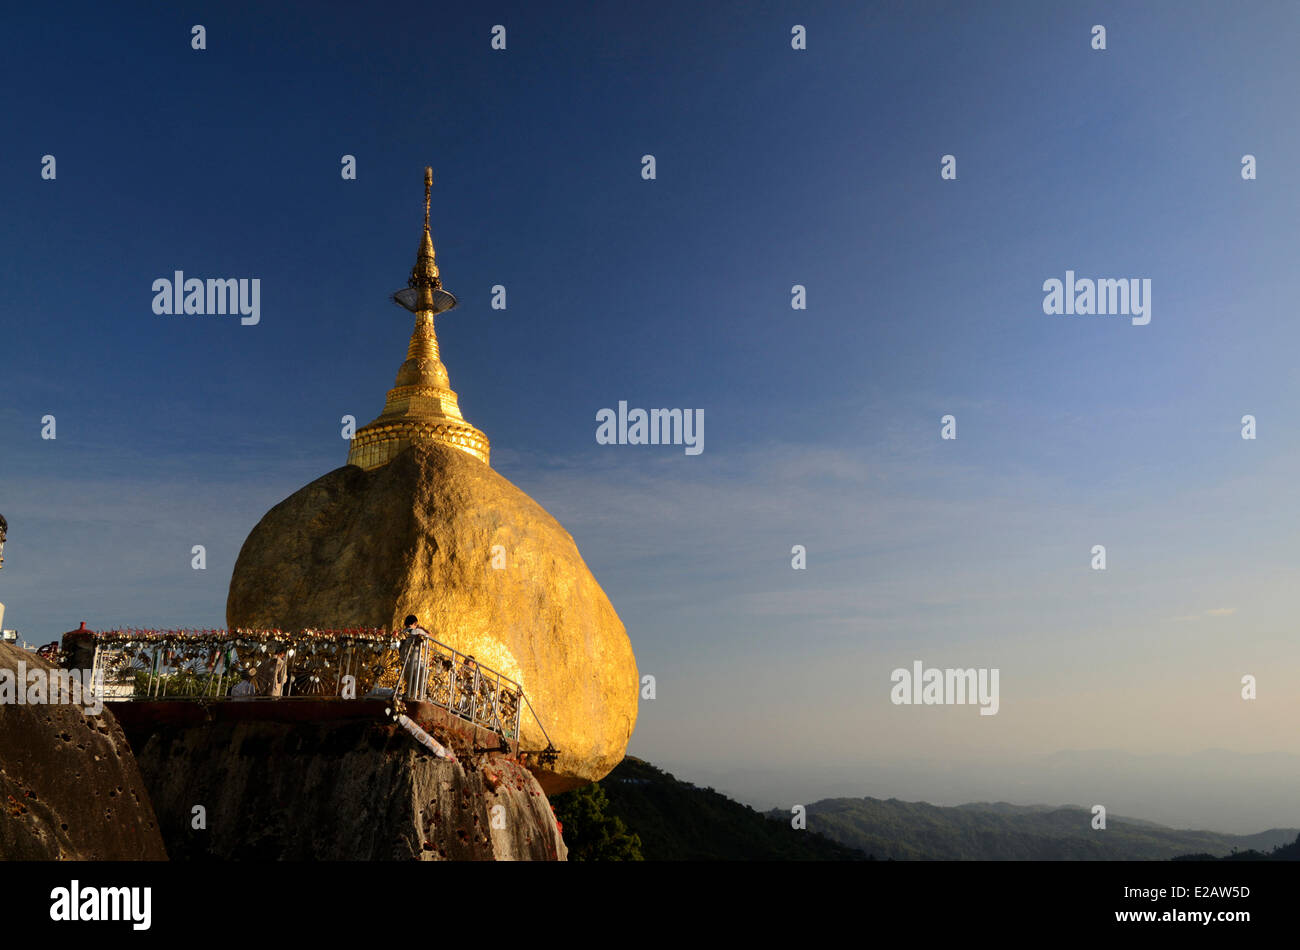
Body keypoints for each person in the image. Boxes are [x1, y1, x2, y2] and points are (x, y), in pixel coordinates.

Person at [399, 615, 432, 700]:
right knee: (422, 679)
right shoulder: (416, 631)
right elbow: (430, 636)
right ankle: (424, 694)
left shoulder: (403, 633)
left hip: (406, 665)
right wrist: (422, 628)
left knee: (411, 687)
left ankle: (410, 697)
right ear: (415, 623)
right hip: (416, 663)